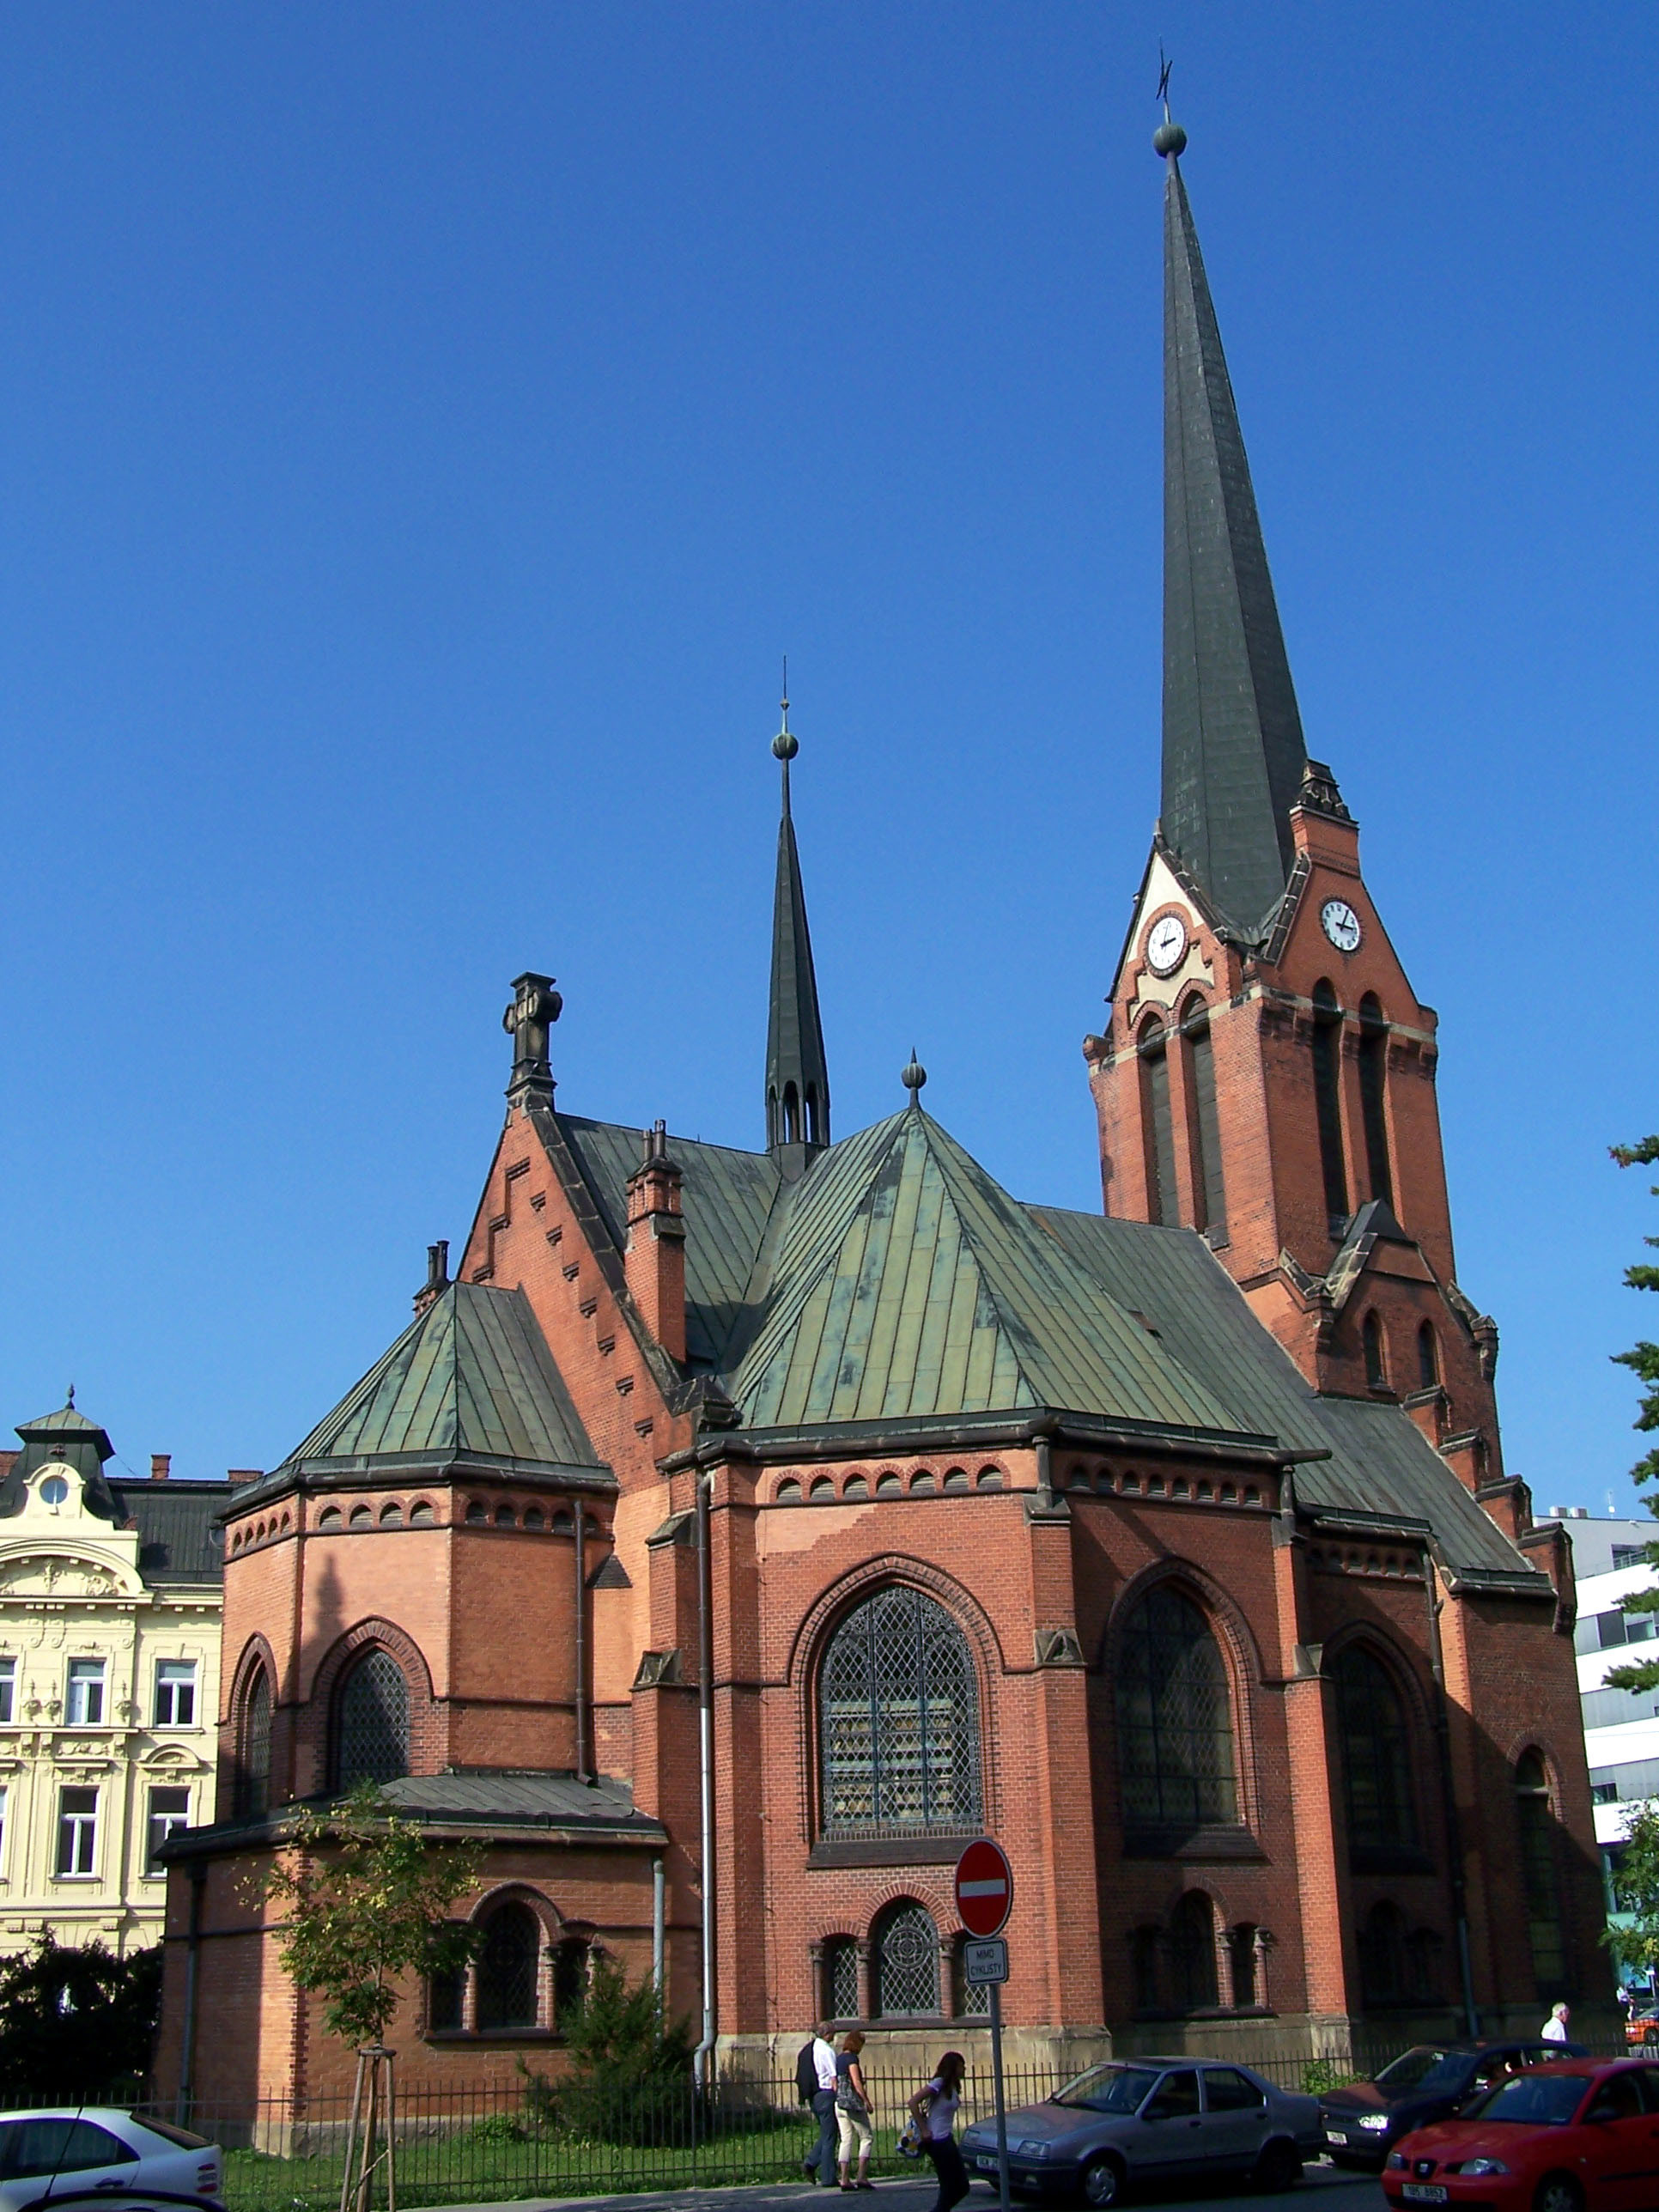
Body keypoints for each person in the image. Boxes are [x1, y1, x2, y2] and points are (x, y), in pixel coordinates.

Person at [910, 2051, 969, 2212]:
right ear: (953, 2067)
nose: (964, 2069)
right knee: (950, 2186)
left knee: (960, 2186)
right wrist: (924, 2129)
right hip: (937, 2141)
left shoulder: (953, 2087)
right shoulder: (939, 2083)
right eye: (962, 2066)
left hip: (946, 2139)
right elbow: (913, 2102)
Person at [800, 2021, 839, 2185]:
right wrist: (839, 2096)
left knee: (826, 2133)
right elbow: (833, 2077)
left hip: (814, 2095)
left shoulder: (810, 2048)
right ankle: (828, 2177)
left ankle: (811, 2162)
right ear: (827, 2034)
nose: (834, 2036)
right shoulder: (826, 2051)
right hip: (826, 2093)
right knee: (831, 2136)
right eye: (833, 2033)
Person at [836, 2031, 874, 2191]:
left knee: (846, 2140)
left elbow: (834, 2082)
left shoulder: (838, 2059)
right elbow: (856, 2082)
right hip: (852, 2104)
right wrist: (866, 2101)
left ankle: (844, 2178)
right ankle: (861, 2176)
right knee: (866, 2137)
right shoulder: (852, 2059)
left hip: (839, 2104)